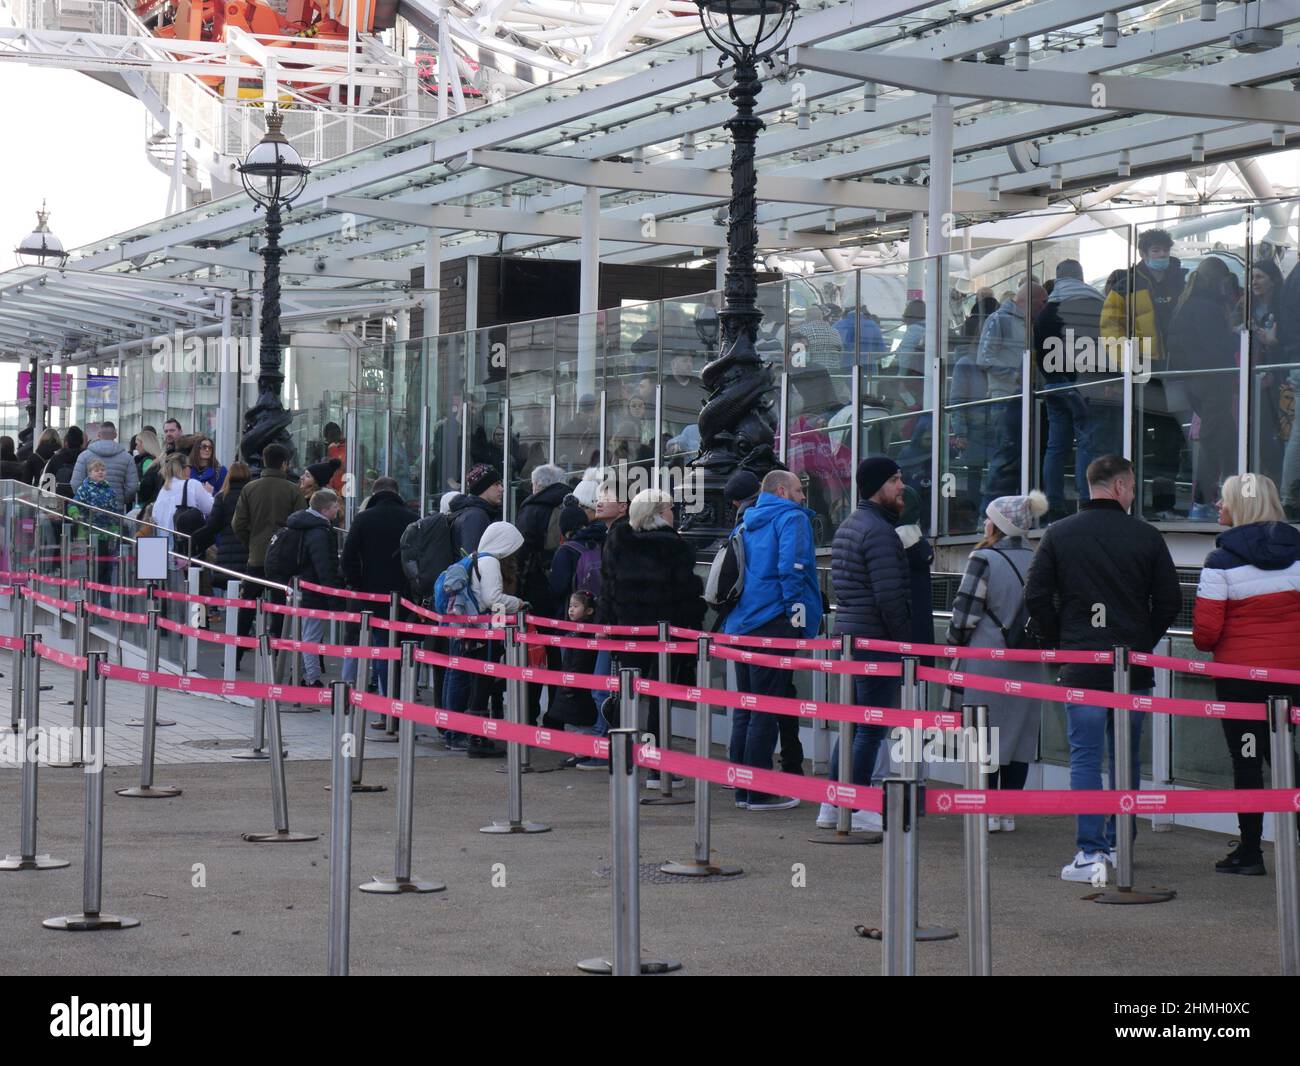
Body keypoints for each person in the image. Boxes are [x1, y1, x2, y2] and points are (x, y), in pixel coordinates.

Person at [1024, 454, 1181, 882]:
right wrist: (1138, 642)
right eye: (1131, 486)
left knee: (1085, 759)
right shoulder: (1147, 536)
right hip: (1131, 667)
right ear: (1119, 487)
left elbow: (1036, 596)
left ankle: (1090, 852)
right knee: (1125, 760)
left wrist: (1062, 642)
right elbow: (1170, 601)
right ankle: (1118, 841)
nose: (1132, 494)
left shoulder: (1058, 534)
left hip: (1081, 667)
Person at [1192, 473, 1300, 875]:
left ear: (1242, 504)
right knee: (1286, 755)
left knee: (1249, 760)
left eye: (1223, 500)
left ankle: (1251, 852)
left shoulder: (1220, 560)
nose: (1218, 506)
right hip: (1293, 677)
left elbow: (1204, 635)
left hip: (1241, 682)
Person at [945, 492, 1050, 831]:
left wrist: (952, 645)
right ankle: (1006, 812)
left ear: (999, 524)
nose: (984, 522)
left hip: (986, 659)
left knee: (984, 735)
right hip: (1030, 662)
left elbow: (963, 616)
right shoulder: (1038, 559)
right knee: (1019, 738)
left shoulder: (984, 559)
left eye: (989, 517)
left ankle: (985, 809)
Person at [819, 456, 910, 833]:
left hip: (851, 634)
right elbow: (890, 597)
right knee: (870, 727)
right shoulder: (879, 532)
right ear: (877, 486)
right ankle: (853, 805)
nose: (902, 486)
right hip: (875, 640)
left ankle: (834, 803)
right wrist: (907, 643)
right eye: (895, 480)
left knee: (853, 725)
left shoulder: (851, 526)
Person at [725, 470, 822, 812]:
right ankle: (759, 791)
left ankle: (740, 787)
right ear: (782, 491)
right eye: (799, 489)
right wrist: (797, 619)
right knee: (766, 707)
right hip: (773, 624)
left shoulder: (747, 520)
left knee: (747, 707)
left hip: (741, 623)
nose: (803, 496)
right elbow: (792, 570)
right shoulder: (792, 518)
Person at [600, 488, 706, 786]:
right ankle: (656, 765)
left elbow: (607, 588)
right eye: (671, 508)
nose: (675, 513)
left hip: (628, 632)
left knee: (627, 695)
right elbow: (686, 597)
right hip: (664, 634)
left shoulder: (618, 540)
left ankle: (621, 758)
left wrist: (609, 624)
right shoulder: (674, 546)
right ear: (659, 512)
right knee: (659, 699)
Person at [1166, 257, 1241, 520]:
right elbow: (1217, 346)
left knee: (1229, 440)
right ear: (1217, 279)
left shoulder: (1186, 304)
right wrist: (1236, 338)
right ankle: (1205, 503)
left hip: (1195, 380)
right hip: (1213, 379)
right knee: (1214, 440)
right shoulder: (1208, 307)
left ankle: (1229, 498)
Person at [1033, 259, 1105, 519]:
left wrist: (1052, 376)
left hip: (1053, 385)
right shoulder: (1095, 304)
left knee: (1056, 446)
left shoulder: (1045, 311)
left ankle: (1053, 504)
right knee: (1087, 442)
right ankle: (1086, 501)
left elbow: (1039, 352)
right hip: (1085, 383)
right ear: (1081, 276)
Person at [340, 476, 417, 697]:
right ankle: (403, 701)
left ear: (374, 495)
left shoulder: (364, 519)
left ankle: (388, 706)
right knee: (407, 651)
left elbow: (348, 558)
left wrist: (356, 583)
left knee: (383, 648)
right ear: (398, 492)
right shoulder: (412, 518)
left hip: (373, 593)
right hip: (407, 595)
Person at [978, 281, 1047, 507]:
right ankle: (990, 512)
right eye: (1042, 303)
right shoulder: (1000, 320)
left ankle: (1008, 510)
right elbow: (985, 357)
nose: (1044, 307)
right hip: (1006, 397)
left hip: (1023, 397)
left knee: (1018, 457)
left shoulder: (1027, 322)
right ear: (1034, 302)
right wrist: (1014, 375)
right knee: (1005, 455)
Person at [463, 520, 527, 758]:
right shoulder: (490, 562)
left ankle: (477, 735)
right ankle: (477, 738)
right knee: (482, 684)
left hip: (475, 630)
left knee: (478, 682)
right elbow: (493, 599)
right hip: (485, 631)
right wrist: (518, 603)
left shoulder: (476, 557)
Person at [232, 443, 302, 642]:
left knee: (248, 604)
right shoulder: (293, 490)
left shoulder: (250, 488)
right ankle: (276, 650)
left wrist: (250, 543)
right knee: (279, 606)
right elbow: (300, 524)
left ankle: (237, 650)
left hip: (256, 556)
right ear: (284, 464)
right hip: (283, 560)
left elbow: (238, 524)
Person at [287, 488, 344, 686]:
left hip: (301, 585)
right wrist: (334, 596)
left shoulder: (302, 524)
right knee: (312, 634)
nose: (338, 510)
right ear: (325, 509)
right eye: (336, 507)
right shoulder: (320, 531)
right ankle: (312, 678)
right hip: (314, 589)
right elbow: (324, 567)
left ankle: (299, 672)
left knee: (304, 633)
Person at [190, 462, 252, 644]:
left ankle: (226, 631)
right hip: (249, 550)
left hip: (228, 550)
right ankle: (246, 633)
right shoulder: (251, 495)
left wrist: (194, 541)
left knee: (230, 590)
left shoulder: (222, 497)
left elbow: (212, 526)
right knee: (248, 593)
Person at [71, 422, 138, 513]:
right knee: (114, 527)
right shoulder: (127, 458)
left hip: (89, 509)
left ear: (98, 435)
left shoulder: (84, 456)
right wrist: (120, 499)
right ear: (115, 435)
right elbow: (132, 487)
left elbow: (75, 483)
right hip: (115, 509)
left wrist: (85, 498)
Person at [152, 453, 213, 552]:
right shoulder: (192, 485)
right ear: (184, 468)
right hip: (187, 547)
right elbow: (209, 508)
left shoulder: (163, 490)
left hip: (164, 548)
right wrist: (209, 493)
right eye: (190, 467)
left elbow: (155, 517)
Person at [448, 463, 503, 556]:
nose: (502, 489)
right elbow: (472, 560)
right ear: (483, 488)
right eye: (496, 484)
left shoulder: (475, 513)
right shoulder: (475, 516)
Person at [133, 428, 164, 509]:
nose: (136, 447)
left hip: (144, 504)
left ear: (144, 444)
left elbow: (146, 484)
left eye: (137, 444)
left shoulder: (148, 461)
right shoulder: (154, 459)